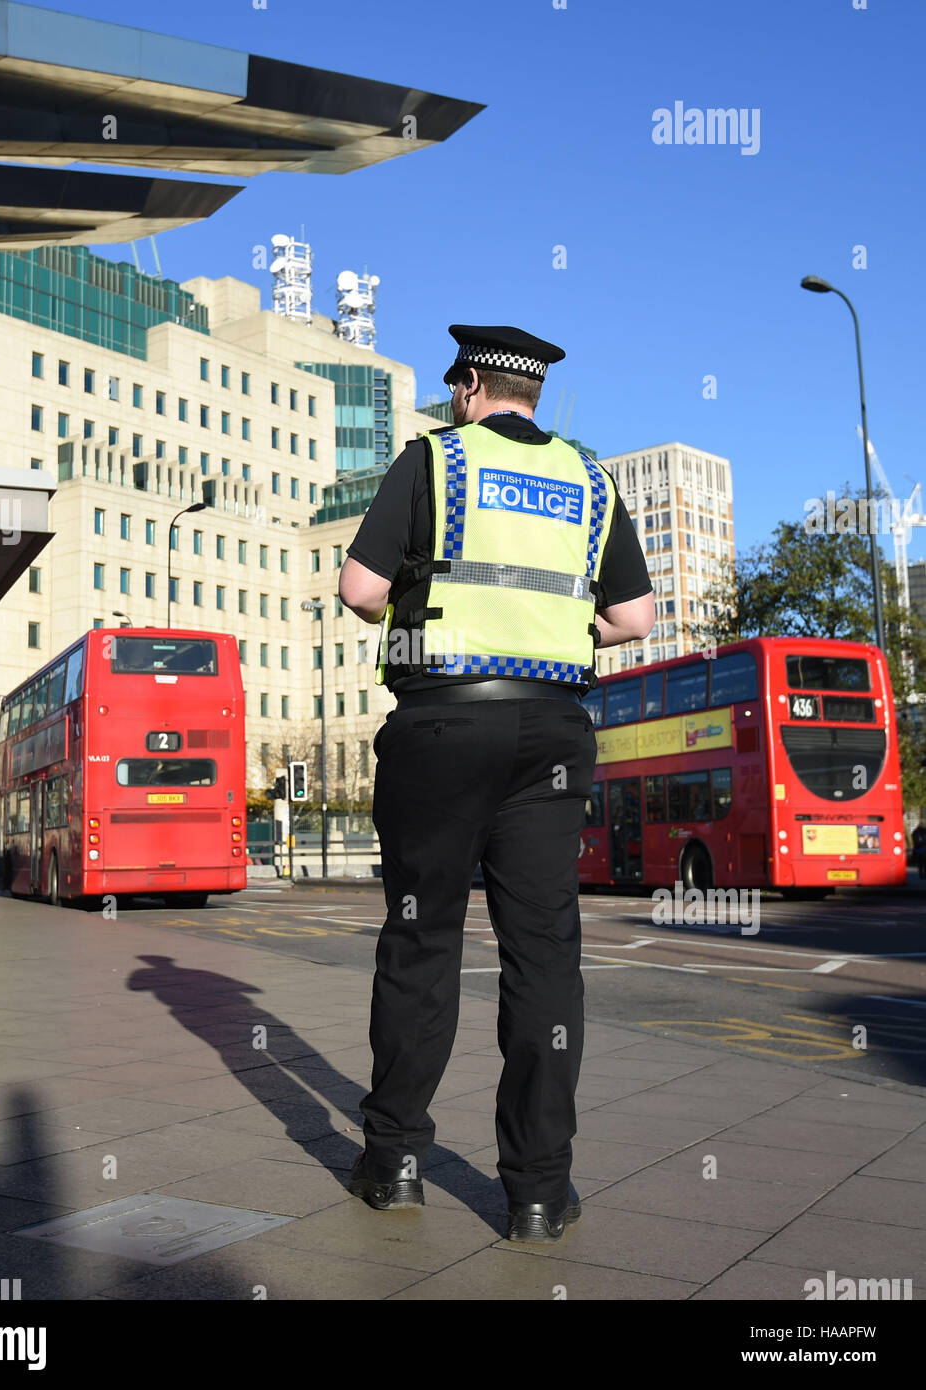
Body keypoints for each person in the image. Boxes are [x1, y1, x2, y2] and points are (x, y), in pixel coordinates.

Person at [338, 324, 655, 1243]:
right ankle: (539, 1192)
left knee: (422, 942)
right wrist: (553, 628)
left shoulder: (433, 459)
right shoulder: (588, 478)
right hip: (550, 731)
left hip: (443, 724)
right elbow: (634, 616)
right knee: (544, 956)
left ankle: (395, 1162)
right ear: (533, 393)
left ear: (470, 385)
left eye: (455, 388)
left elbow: (360, 589)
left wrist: (421, 610)